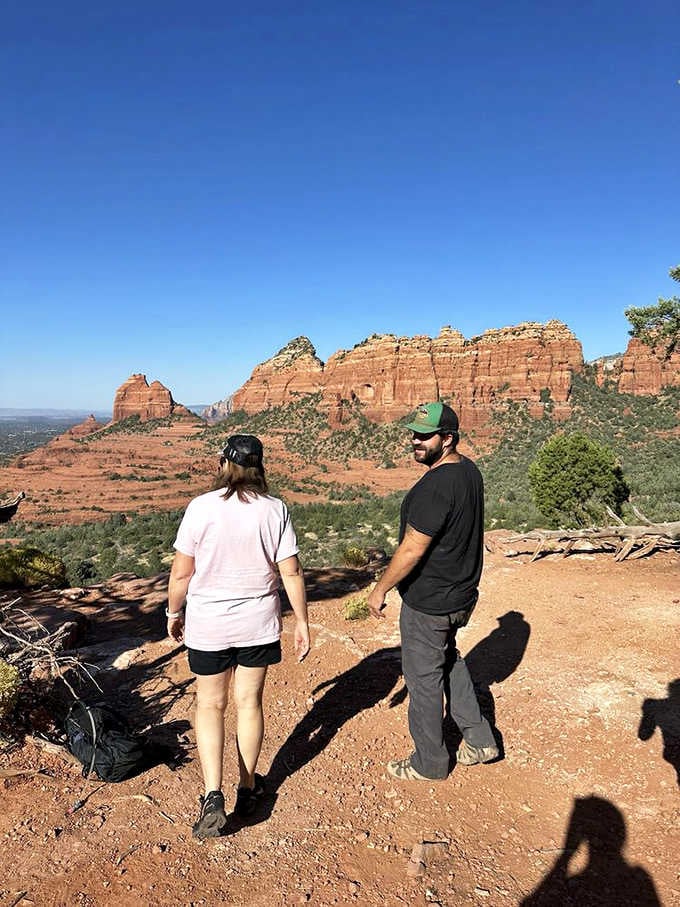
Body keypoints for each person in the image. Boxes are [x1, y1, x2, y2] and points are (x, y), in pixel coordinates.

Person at [166, 435, 310, 838]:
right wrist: (301, 621)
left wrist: (174, 612)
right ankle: (247, 788)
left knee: (210, 706)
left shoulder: (201, 508)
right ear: (259, 467)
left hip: (209, 625)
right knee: (249, 703)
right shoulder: (275, 509)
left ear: (223, 463)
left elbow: (181, 573)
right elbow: (291, 572)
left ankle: (212, 794)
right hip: (257, 624)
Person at [367, 402, 498, 781]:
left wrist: (380, 588)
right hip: (460, 596)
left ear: (448, 439)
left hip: (429, 601)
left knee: (422, 680)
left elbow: (412, 548)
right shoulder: (468, 471)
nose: (415, 440)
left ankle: (430, 763)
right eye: (413, 433)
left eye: (425, 435)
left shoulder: (435, 487)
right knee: (448, 660)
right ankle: (479, 738)